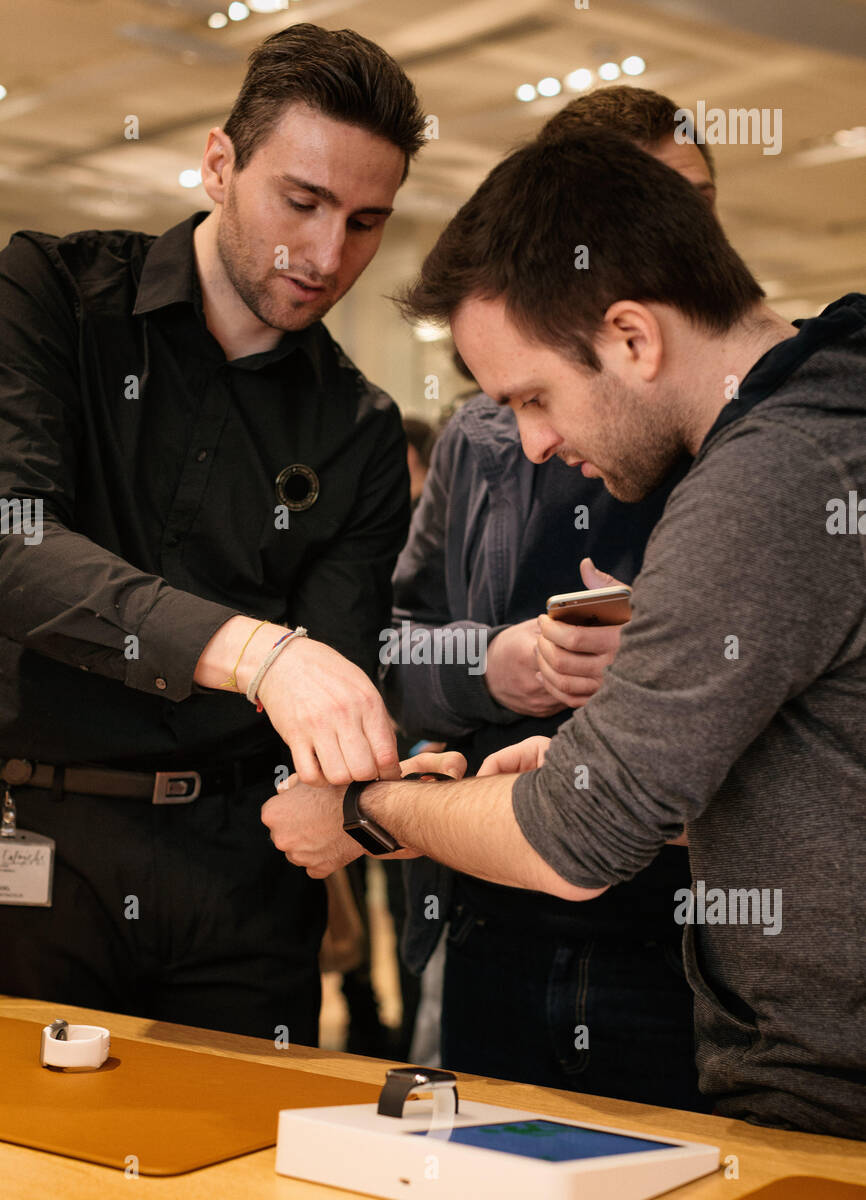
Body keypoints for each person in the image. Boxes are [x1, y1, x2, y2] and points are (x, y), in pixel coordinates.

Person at [263, 129, 866, 1140]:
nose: (535, 442)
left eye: (535, 397)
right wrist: (593, 767)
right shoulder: (827, 411)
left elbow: (576, 841)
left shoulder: (764, 481)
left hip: (821, 1095)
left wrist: (372, 810)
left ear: (631, 335)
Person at [0, 23, 426, 1041]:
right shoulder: (48, 298)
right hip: (38, 843)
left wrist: (376, 786)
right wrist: (258, 654)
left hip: (245, 872)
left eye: (367, 220)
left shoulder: (360, 428)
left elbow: (337, 675)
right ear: (219, 164)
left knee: (239, 1177)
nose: (328, 256)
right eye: (304, 202)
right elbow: (14, 543)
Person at [380, 88, 718, 1109]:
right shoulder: (482, 444)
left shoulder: (751, 447)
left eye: (692, 208)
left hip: (699, 943)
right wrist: (495, 664)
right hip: (496, 915)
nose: (678, 248)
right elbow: (392, 653)